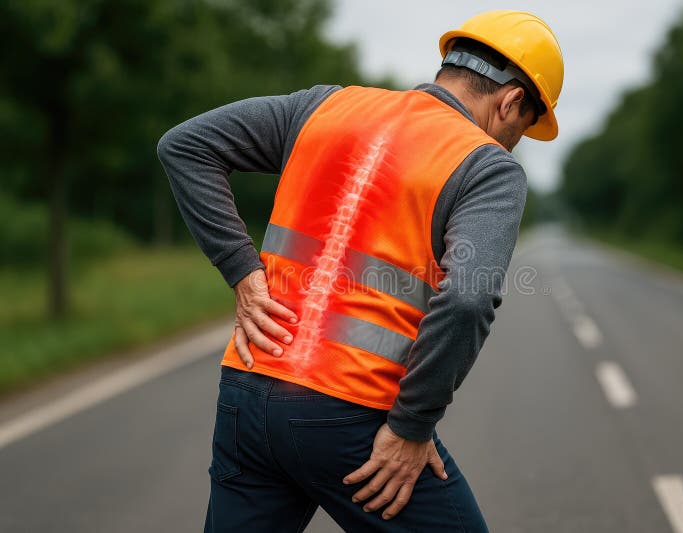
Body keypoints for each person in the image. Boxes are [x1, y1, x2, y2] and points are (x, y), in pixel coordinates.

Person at [157, 9, 563, 532]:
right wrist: (412, 427)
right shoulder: (487, 165)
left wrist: (242, 271)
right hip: (351, 414)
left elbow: (184, 146)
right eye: (522, 128)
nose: (512, 142)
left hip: (248, 393)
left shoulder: (324, 106)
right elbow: (467, 299)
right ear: (510, 101)